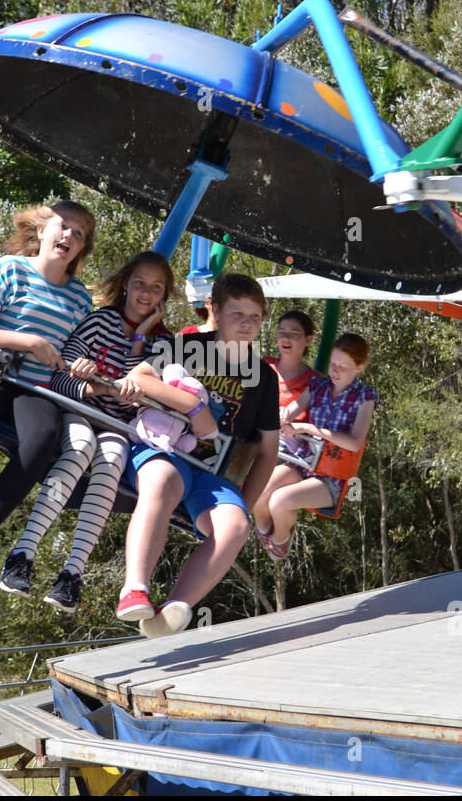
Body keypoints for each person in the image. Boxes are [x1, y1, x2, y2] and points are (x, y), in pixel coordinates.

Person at [0, 252, 179, 612]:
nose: (145, 293)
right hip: (81, 412)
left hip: (116, 425)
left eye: (155, 288)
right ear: (126, 284)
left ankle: (72, 573)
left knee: (111, 460)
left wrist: (140, 340)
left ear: (163, 297)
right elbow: (60, 378)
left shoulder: (164, 344)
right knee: (80, 448)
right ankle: (22, 553)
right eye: (140, 284)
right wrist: (102, 388)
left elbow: (145, 397)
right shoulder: (99, 323)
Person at [0, 201, 95, 587]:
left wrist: (82, 366)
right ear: (42, 231)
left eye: (79, 234)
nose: (68, 237)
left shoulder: (79, 299)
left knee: (43, 439)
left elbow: (70, 351)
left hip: (36, 385)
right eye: (63, 227)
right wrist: (28, 341)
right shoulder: (6, 271)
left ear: (81, 249)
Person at [117, 273, 281, 637]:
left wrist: (244, 502)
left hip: (211, 473)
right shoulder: (189, 346)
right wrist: (193, 407)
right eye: (237, 314)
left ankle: (173, 609)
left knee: (235, 528)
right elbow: (140, 378)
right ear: (216, 312)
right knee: (162, 483)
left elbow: (268, 450)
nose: (247, 324)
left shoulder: (264, 377)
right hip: (166, 449)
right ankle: (135, 588)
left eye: (255, 317)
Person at [253, 333, 377, 561]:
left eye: (343, 367)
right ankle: (264, 531)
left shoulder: (364, 397)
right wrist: (280, 418)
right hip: (302, 463)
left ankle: (280, 540)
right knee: (258, 492)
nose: (335, 371)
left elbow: (355, 442)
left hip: (330, 478)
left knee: (279, 501)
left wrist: (309, 429)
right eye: (333, 364)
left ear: (359, 367)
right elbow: (288, 411)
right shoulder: (318, 385)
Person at [263, 310, 320, 454]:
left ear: (308, 340)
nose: (286, 338)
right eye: (282, 332)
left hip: (287, 449)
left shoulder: (316, 382)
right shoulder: (263, 365)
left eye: (294, 334)